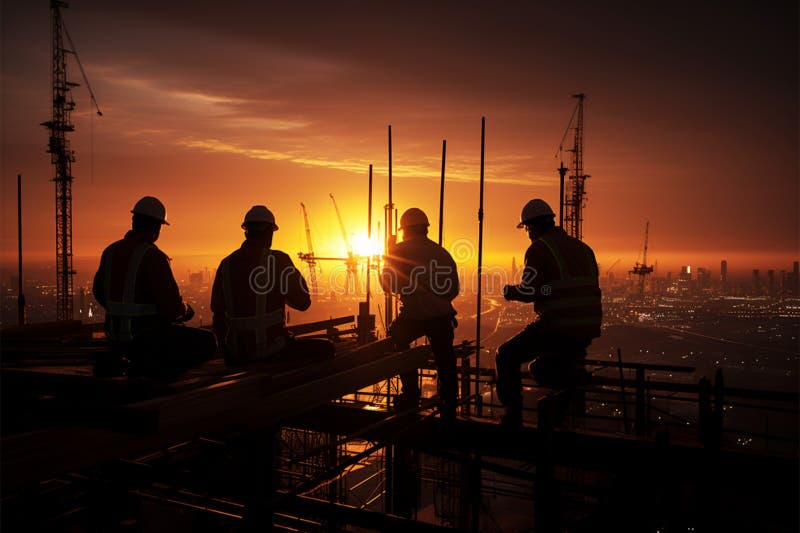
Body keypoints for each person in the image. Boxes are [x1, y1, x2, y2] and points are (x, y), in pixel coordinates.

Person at [497, 199, 602, 425]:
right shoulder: (584, 249)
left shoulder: (539, 249)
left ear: (530, 227)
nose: (527, 234)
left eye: (526, 229)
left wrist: (510, 291)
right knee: (547, 366)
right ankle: (559, 412)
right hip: (587, 328)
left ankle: (512, 414)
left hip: (558, 325)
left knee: (506, 355)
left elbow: (530, 290)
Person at [93, 196, 216, 378]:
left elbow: (99, 292)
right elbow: (171, 308)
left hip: (115, 336)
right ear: (156, 227)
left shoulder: (110, 251)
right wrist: (186, 311)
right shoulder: (152, 256)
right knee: (208, 342)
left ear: (134, 221)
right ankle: (161, 378)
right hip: (145, 339)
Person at [211, 205, 334, 365]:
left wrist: (228, 354)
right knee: (327, 348)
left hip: (237, 355)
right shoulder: (278, 261)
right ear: (269, 232)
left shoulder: (225, 264)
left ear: (246, 232)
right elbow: (303, 303)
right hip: (273, 351)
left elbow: (218, 314)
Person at [381, 208, 460, 419]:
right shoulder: (442, 252)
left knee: (398, 338)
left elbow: (388, 286)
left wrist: (389, 257)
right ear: (425, 228)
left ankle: (410, 393)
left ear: (405, 229)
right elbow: (453, 289)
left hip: (414, 316)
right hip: (441, 316)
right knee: (445, 358)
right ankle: (449, 401)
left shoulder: (398, 250)